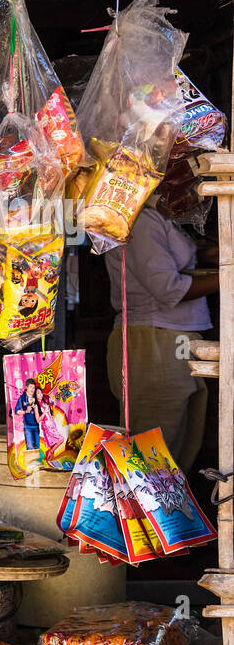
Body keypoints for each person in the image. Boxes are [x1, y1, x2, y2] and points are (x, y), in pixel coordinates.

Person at [105, 201, 219, 473]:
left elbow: (168, 267)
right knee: (152, 452)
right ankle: (143, 514)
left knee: (178, 447)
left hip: (171, 338)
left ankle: (163, 513)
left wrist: (206, 256)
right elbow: (168, 290)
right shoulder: (140, 221)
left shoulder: (158, 218)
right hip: (153, 340)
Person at [12, 378, 42, 466]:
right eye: (30, 387)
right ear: (27, 387)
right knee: (29, 445)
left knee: (37, 445)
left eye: (33, 388)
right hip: (27, 426)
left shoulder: (36, 397)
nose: (32, 390)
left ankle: (36, 464)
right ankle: (30, 464)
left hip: (36, 426)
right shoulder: (22, 398)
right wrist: (26, 411)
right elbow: (17, 411)